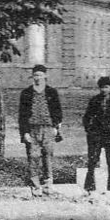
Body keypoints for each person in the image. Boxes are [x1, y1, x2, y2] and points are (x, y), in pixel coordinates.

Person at [17, 64, 62, 195]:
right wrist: (24, 132)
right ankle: (35, 186)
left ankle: (48, 185)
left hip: (48, 128)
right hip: (32, 129)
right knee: (33, 156)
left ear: (45, 76)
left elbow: (58, 111)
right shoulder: (26, 93)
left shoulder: (51, 92)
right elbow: (22, 114)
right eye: (36, 75)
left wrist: (56, 127)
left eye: (40, 75)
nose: (38, 77)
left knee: (47, 156)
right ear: (33, 76)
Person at [82, 76, 110, 193]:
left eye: (106, 87)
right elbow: (87, 117)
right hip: (96, 134)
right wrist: (89, 130)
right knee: (93, 160)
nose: (104, 90)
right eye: (102, 87)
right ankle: (89, 186)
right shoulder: (94, 100)